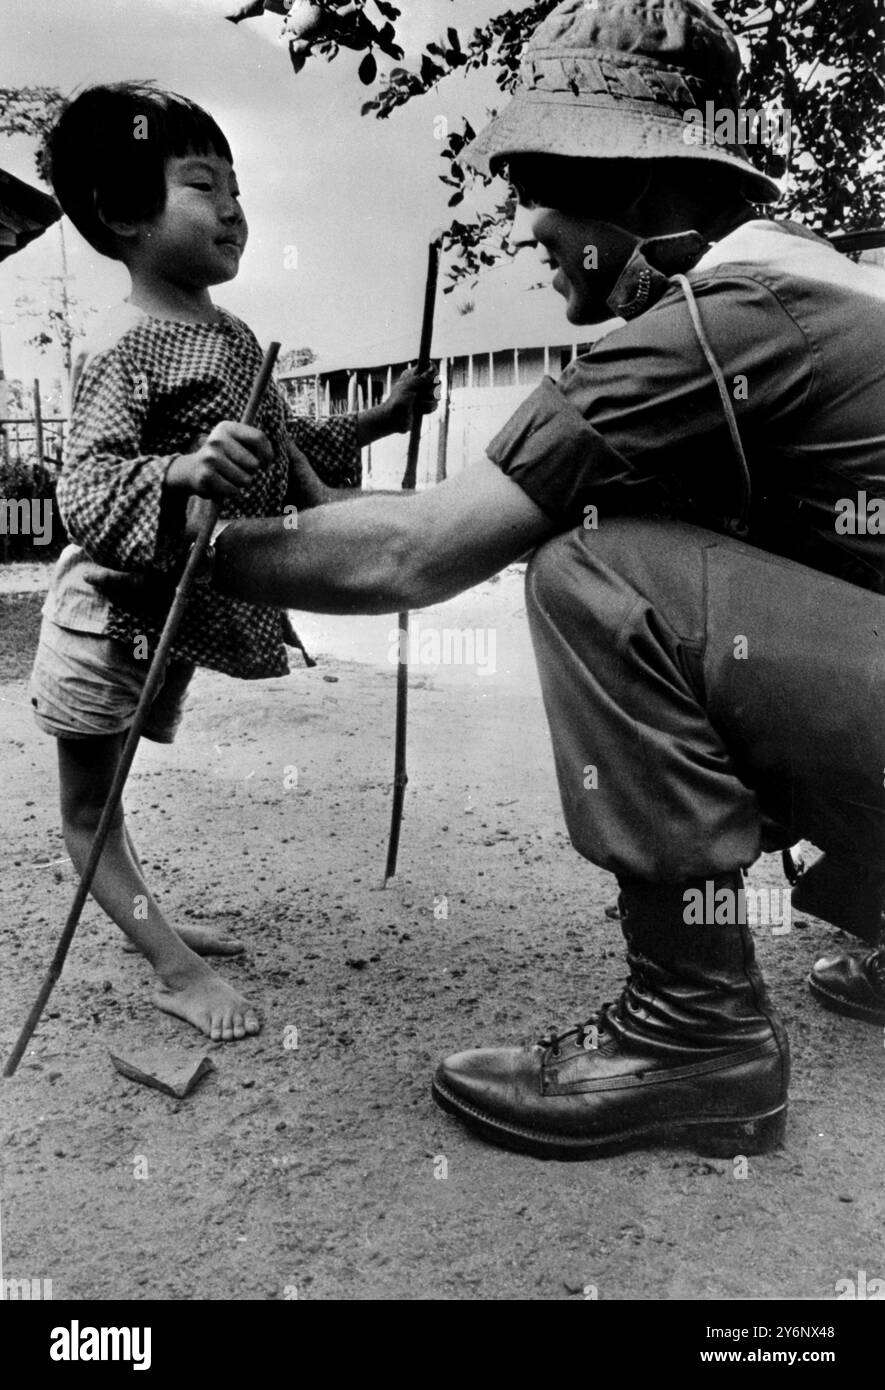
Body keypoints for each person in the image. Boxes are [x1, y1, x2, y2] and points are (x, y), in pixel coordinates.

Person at [203, 0, 885, 1158]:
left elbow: (424, 552)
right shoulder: (804, 287)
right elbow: (438, 516)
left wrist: (200, 550)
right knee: (658, 564)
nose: (520, 222)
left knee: (599, 571)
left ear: (628, 186)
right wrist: (309, 512)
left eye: (534, 180)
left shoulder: (708, 332)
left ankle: (694, 1034)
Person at [32, 82, 436, 1044]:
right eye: (203, 186)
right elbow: (83, 491)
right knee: (90, 815)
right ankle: (174, 971)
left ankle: (152, 922)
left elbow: (293, 466)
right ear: (122, 214)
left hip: (167, 627)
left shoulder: (236, 338)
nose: (234, 209)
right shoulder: (121, 350)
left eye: (238, 188)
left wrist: (383, 421)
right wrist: (179, 468)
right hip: (106, 620)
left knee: (114, 801)